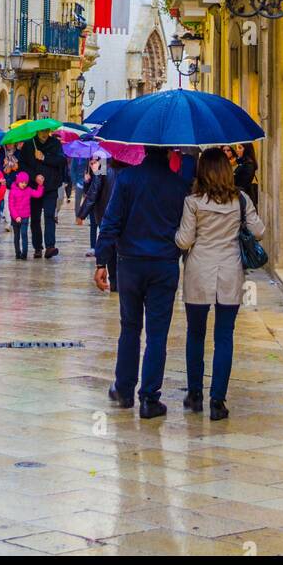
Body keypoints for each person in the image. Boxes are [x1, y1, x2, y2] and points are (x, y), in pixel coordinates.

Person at [95, 148, 192, 420]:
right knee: (157, 333)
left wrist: (102, 261)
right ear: (169, 153)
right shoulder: (179, 186)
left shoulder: (126, 179)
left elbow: (110, 222)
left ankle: (124, 389)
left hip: (130, 264)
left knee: (130, 327)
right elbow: (185, 232)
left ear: (144, 150)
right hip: (163, 264)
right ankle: (149, 398)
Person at [175, 147, 265, 421]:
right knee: (224, 336)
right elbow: (259, 231)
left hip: (199, 272)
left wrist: (179, 233)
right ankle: (218, 400)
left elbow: (184, 241)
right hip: (229, 273)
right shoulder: (240, 200)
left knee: (196, 334)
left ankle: (194, 394)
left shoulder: (193, 202)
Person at [19, 128, 66, 259]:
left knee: (50, 215)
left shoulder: (55, 144)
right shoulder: (29, 145)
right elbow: (23, 165)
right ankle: (38, 247)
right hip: (34, 188)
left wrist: (44, 157)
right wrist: (34, 177)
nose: (44, 134)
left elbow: (61, 161)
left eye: (46, 131)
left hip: (51, 187)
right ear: (37, 132)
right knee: (35, 218)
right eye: (42, 132)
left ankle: (50, 246)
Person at [77, 155, 118, 289]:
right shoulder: (129, 167)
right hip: (122, 218)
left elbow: (94, 191)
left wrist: (82, 214)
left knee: (111, 249)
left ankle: (114, 283)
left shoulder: (104, 166)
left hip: (106, 216)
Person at [8, 170, 43, 259]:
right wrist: (16, 217)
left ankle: (24, 253)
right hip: (15, 218)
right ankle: (17, 252)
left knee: (24, 234)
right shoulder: (13, 191)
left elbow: (37, 194)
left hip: (25, 216)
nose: (24, 184)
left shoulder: (28, 190)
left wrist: (40, 185)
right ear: (18, 181)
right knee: (16, 236)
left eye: (26, 183)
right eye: (22, 182)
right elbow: (11, 206)